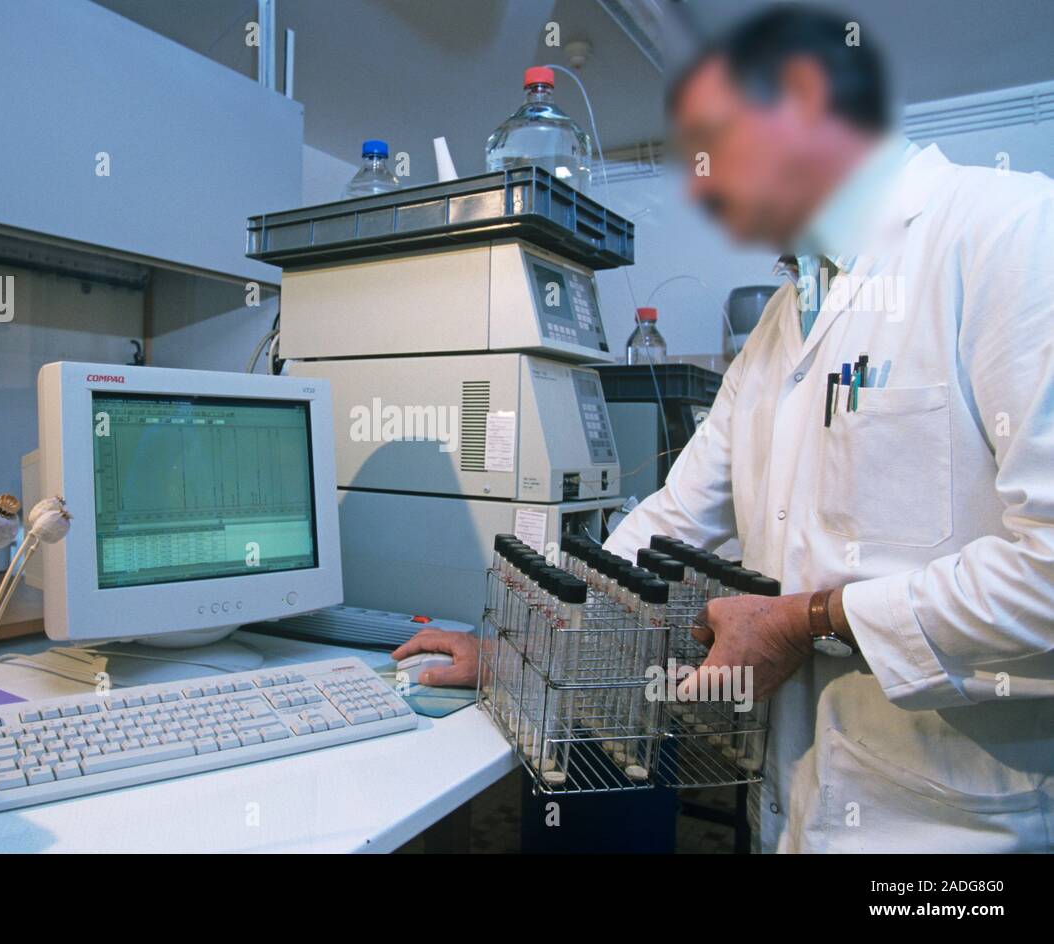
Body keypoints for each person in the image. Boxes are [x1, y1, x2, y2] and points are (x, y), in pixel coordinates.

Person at [393, 3, 1054, 852]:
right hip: (798, 803)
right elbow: (670, 522)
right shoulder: (787, 318)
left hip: (961, 825)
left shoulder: (1010, 233)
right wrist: (518, 659)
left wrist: (810, 617)